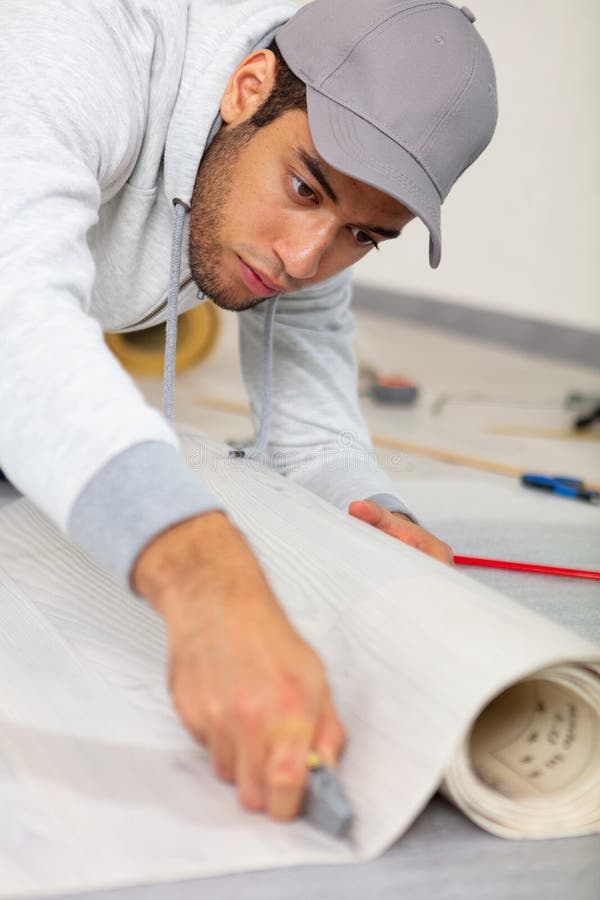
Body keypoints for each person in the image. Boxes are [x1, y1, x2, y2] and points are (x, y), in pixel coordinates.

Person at [0, 0, 497, 824]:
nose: (307, 260)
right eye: (304, 188)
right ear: (247, 86)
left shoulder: (307, 217)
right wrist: (205, 579)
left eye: (363, 236)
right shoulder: (82, 42)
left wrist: (372, 518)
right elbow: (12, 315)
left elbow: (314, 430)